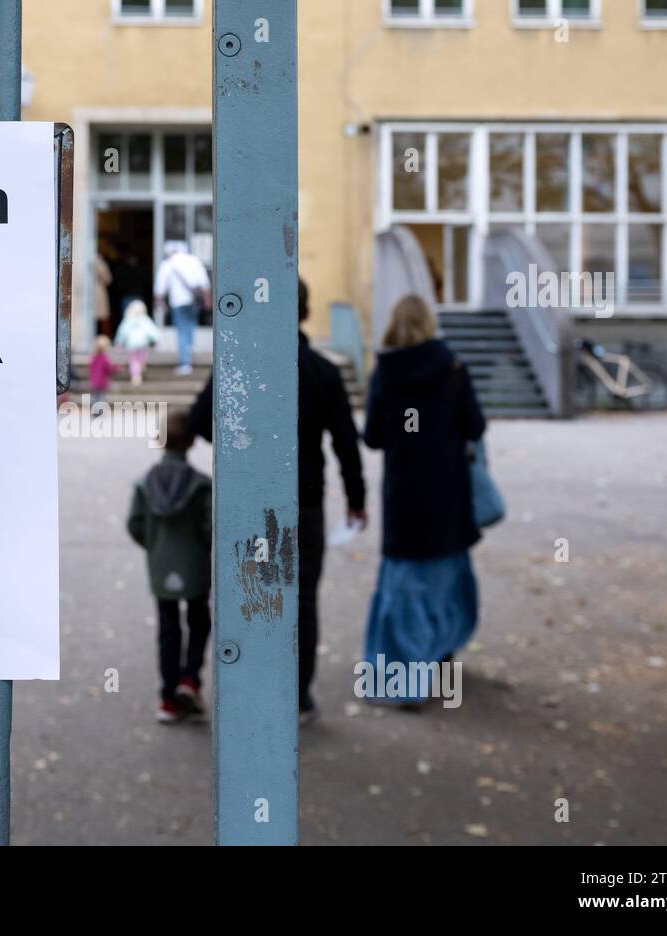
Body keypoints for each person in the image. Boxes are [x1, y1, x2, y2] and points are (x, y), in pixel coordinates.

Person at [188, 278, 366, 723]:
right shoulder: (323, 371)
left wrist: (240, 440)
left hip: (249, 501)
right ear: (305, 312)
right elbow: (346, 441)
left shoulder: (240, 362)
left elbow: (199, 420)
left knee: (252, 596)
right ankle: (298, 696)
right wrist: (356, 498)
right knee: (301, 600)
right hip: (306, 501)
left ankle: (253, 689)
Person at [361, 295, 486, 707]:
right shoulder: (452, 369)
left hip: (404, 494)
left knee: (404, 582)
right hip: (447, 490)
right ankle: (441, 654)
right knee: (446, 576)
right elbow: (475, 425)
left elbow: (373, 437)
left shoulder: (385, 372)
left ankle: (404, 676)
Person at [127, 409, 213, 724]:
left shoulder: (144, 483)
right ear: (191, 442)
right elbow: (210, 527)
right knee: (199, 621)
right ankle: (190, 680)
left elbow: (135, 523)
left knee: (168, 629)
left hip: (161, 566)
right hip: (196, 565)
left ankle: (168, 699)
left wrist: (154, 546)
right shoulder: (202, 485)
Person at [154, 241, 210, 375]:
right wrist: (207, 300)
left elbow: (160, 286)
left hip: (178, 302)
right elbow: (204, 282)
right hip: (194, 300)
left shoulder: (168, 263)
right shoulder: (194, 260)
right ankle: (189, 353)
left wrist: (159, 301)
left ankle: (185, 363)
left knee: (182, 331)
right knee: (190, 327)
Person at [113, 298, 160, 386]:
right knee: (141, 358)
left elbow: (122, 332)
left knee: (134, 361)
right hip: (142, 344)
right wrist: (156, 339)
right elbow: (152, 331)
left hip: (131, 345)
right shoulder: (145, 320)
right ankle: (140, 369)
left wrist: (119, 343)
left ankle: (136, 376)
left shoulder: (128, 320)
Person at [87, 334, 120, 406]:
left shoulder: (93, 358)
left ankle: (95, 408)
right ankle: (100, 409)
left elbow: (91, 368)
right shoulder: (105, 359)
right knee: (101, 397)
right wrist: (117, 368)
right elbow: (109, 369)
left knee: (95, 396)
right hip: (102, 381)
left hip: (94, 381)